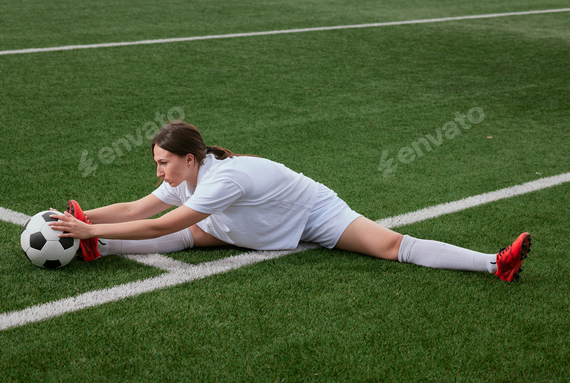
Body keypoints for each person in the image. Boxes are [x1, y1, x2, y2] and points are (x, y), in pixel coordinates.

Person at [50, 121, 531, 282]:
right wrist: (85, 218)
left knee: (390, 245)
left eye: (162, 163)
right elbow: (137, 210)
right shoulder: (189, 178)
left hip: (311, 213)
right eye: (156, 163)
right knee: (186, 237)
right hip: (247, 224)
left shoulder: (222, 181)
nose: (158, 171)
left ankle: (495, 263)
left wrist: (89, 229)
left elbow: (156, 226)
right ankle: (98, 250)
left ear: (191, 160)